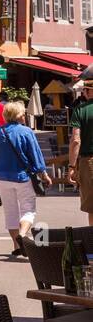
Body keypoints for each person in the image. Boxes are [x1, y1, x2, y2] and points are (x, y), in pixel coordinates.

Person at [0, 100, 52, 257]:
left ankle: (16, 245)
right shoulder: (26, 132)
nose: (24, 116)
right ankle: (22, 234)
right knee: (28, 209)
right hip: (23, 177)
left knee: (10, 212)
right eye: (23, 113)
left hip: (2, 177)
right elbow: (35, 155)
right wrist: (44, 173)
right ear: (18, 115)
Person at [67, 75, 93, 226]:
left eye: (85, 90)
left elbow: (76, 140)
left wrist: (71, 166)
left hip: (88, 162)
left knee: (92, 207)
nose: (83, 93)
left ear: (90, 91)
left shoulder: (80, 110)